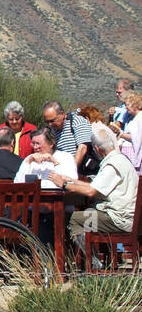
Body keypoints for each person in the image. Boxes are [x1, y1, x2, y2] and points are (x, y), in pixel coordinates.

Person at [53, 124, 138, 263]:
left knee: (74, 219)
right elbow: (96, 186)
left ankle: (93, 263)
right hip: (127, 216)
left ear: (97, 149)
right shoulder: (120, 159)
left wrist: (64, 184)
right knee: (89, 212)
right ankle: (105, 259)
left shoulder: (112, 164)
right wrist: (72, 180)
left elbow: (91, 191)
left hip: (118, 219)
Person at [43, 100, 96, 175]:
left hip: (83, 173)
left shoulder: (77, 121)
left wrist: (71, 172)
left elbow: (83, 148)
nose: (50, 124)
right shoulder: (52, 131)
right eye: (47, 122)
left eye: (52, 121)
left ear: (62, 114)